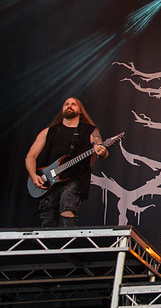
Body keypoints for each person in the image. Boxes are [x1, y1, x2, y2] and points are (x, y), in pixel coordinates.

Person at [25, 97, 108, 227]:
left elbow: (102, 151)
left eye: (73, 104)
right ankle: (48, 246)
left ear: (80, 111)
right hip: (48, 180)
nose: (69, 106)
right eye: (66, 104)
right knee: (48, 218)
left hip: (75, 178)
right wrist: (33, 175)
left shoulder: (90, 131)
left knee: (68, 208)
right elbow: (31, 156)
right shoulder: (48, 132)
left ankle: (67, 243)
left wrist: (101, 151)